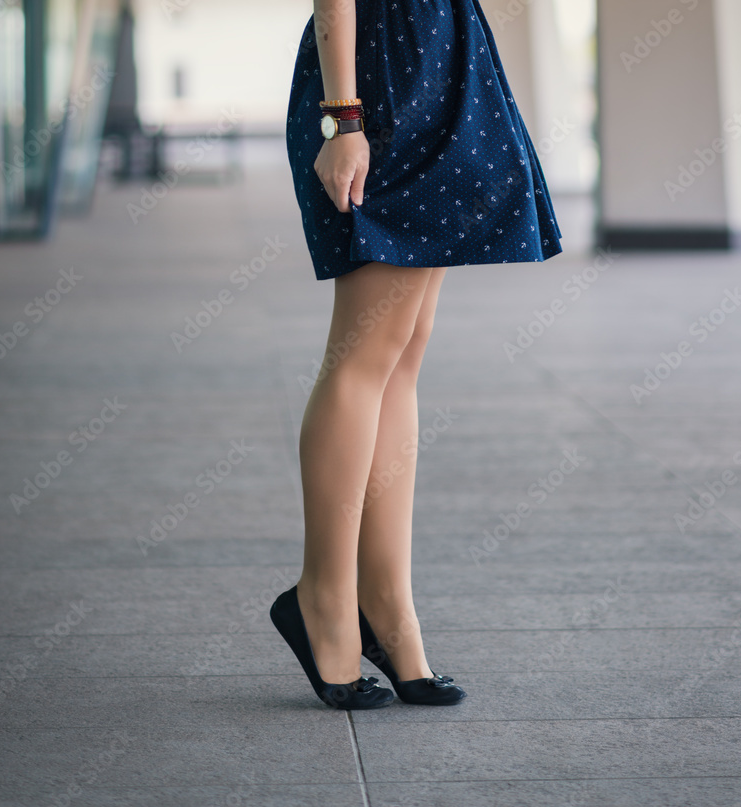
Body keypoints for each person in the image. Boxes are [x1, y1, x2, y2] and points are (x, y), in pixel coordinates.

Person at [270, 0, 563, 709]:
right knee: (368, 350)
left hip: (441, 59)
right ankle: (325, 598)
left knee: (402, 353)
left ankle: (386, 605)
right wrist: (343, 119)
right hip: (380, 78)